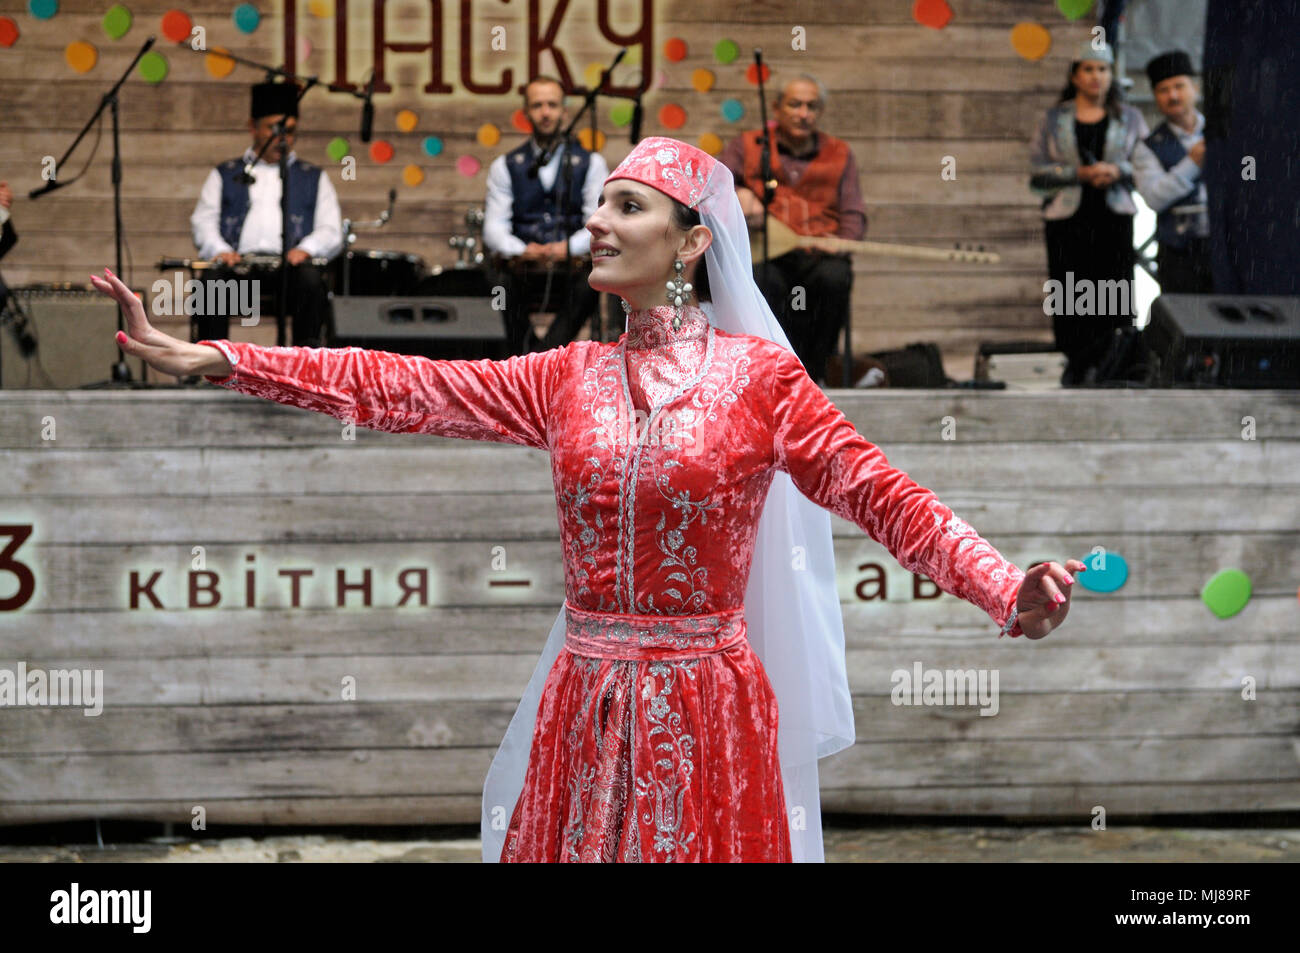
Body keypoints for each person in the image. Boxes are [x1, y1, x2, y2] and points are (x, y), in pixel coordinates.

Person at [93, 136, 1084, 863]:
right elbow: (395, 383)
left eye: (626, 205)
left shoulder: (760, 383)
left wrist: (1004, 585)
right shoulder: (566, 376)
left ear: (691, 244)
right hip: (587, 700)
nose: (595, 223)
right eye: (597, 204)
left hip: (708, 704)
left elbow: (884, 495)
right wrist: (217, 356)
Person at [719, 73, 867, 386]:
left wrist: (844, 241)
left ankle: (814, 376)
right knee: (761, 279)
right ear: (776, 108)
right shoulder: (747, 146)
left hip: (817, 255)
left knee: (835, 277)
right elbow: (714, 189)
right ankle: (768, 373)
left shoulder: (839, 153)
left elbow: (854, 213)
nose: (803, 113)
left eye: (811, 106)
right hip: (767, 252)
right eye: (795, 105)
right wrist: (739, 194)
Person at [1030, 42, 1149, 386]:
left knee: (1113, 290)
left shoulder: (1130, 117)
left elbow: (1145, 162)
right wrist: (1077, 174)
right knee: (1070, 292)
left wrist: (1117, 171)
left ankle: (1115, 364)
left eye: (1103, 69)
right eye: (1088, 69)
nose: (1096, 76)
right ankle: (1077, 365)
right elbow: (1037, 173)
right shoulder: (1054, 118)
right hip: (1068, 219)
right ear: (1075, 75)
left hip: (1113, 216)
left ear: (1112, 75)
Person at [190, 81, 343, 346]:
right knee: (212, 281)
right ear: (253, 127)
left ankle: (304, 370)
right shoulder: (225, 173)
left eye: (290, 130)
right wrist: (220, 250)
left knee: (311, 281)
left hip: (289, 273)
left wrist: (306, 249)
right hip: (238, 271)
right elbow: (203, 221)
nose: (283, 137)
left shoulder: (313, 177)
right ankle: (211, 367)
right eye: (275, 128)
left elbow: (331, 230)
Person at [483, 76, 608, 355]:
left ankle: (542, 356)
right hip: (523, 265)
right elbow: (494, 228)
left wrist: (565, 248)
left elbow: (599, 221)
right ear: (526, 112)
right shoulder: (505, 165)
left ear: (565, 111)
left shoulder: (592, 163)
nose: (545, 112)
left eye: (552, 104)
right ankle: (525, 354)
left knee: (594, 277)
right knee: (496, 278)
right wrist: (523, 250)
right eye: (537, 105)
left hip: (571, 264)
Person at [1131, 50, 1213, 294]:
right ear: (1155, 97)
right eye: (1163, 90)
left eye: (1179, 86)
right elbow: (1154, 198)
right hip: (1179, 252)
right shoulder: (1148, 146)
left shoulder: (1226, 134)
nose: (1173, 95)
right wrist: (1192, 163)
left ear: (1195, 88)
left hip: (1227, 248)